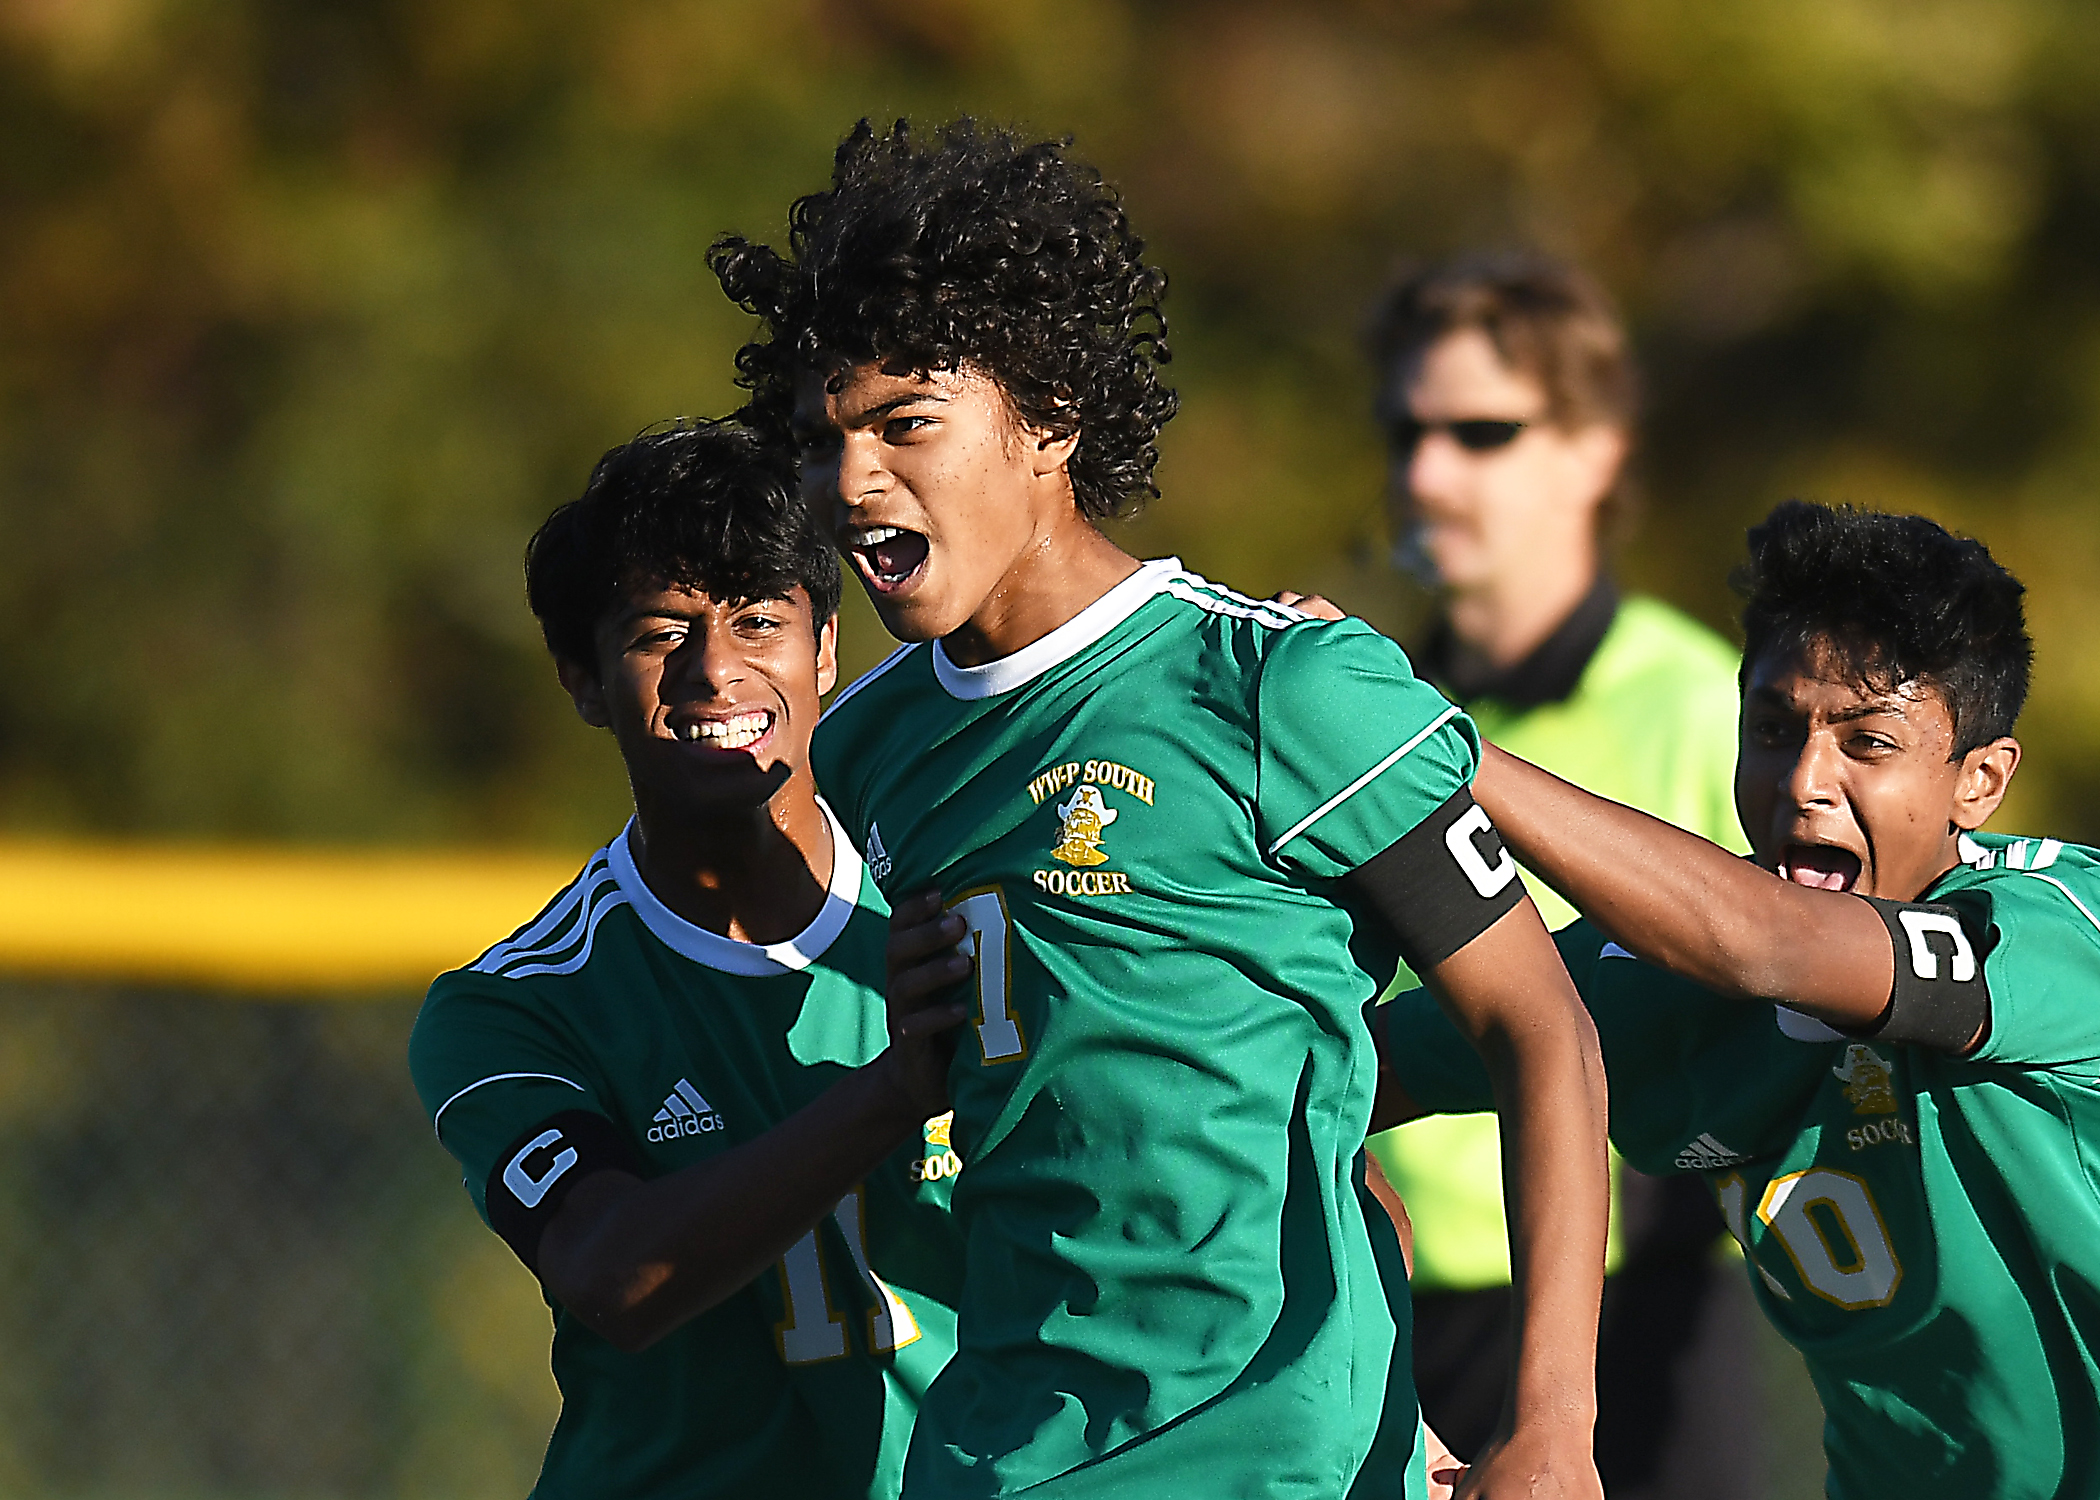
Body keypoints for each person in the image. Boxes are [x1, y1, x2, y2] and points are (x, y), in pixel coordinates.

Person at [710, 117, 1609, 1499]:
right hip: (1003, 1457)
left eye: (906, 423)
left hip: (1277, 1469)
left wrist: (1548, 1422)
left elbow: (1540, 1032)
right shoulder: (872, 748)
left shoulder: (1281, 690)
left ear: (1051, 419)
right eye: (821, 437)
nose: (852, 478)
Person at [1379, 500, 2100, 1499]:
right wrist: (1378, 1405)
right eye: (1772, 729)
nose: (1804, 780)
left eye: (1868, 744)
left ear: (1979, 781)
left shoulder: (2056, 930)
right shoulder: (1653, 977)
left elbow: (1768, 942)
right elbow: (1319, 1086)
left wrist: (1424, 746)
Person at [407, 421, 973, 1500]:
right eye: (661, 634)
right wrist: (895, 1092)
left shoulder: (960, 888)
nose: (715, 670)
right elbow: (615, 1276)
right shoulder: (516, 1007)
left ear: (826, 648)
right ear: (582, 680)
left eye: (759, 620)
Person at [1364, 252, 1759, 1496]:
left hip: (1649, 1316)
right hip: (1398, 1314)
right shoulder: (1352, 716)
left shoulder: (1707, 708)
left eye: (1483, 433)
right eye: (1408, 433)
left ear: (1597, 452)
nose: (1428, 474)